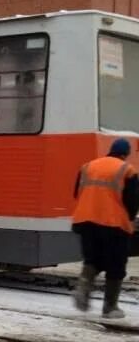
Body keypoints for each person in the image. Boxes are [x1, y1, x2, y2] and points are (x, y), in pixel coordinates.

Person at [72, 137, 139, 319]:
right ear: (125, 154)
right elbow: (133, 202)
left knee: (93, 259)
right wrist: (131, 220)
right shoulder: (127, 170)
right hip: (113, 224)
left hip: (85, 221)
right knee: (116, 264)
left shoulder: (88, 166)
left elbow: (76, 193)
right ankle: (110, 308)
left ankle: (85, 281)